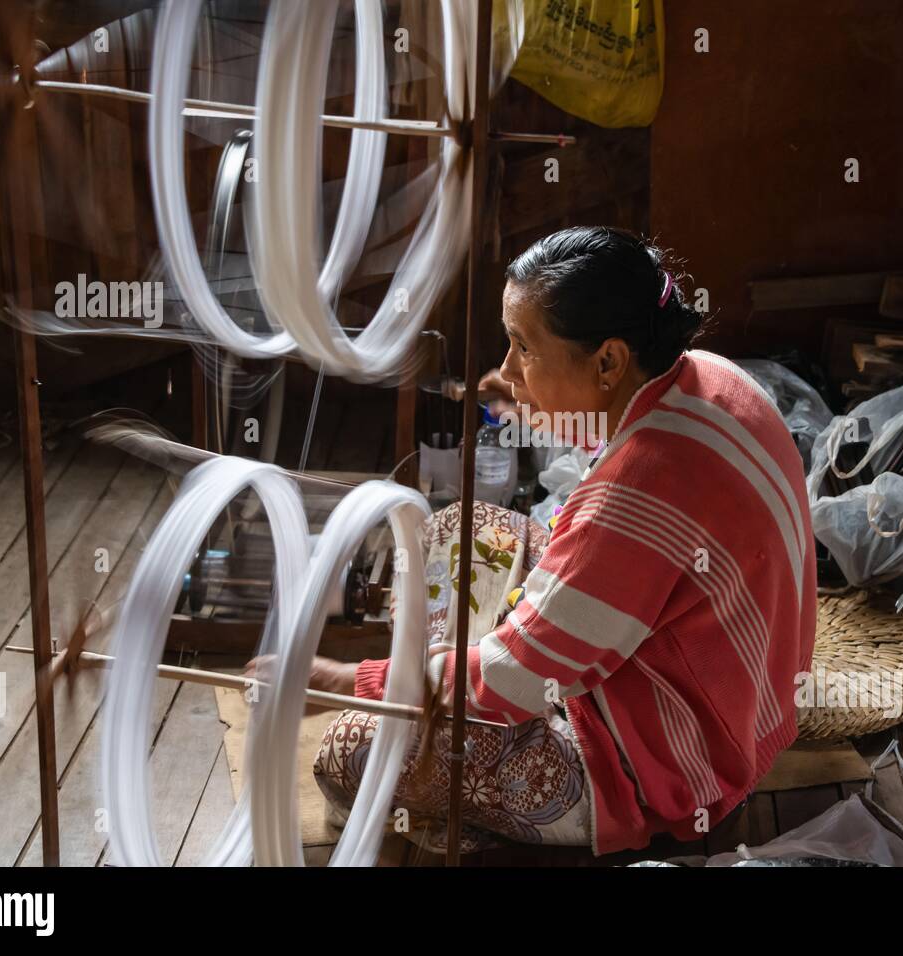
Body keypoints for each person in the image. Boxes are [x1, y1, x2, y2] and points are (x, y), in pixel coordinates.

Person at [266, 226, 817, 856]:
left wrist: (347, 680)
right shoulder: (709, 376)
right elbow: (620, 465)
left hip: (672, 769)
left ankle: (513, 806)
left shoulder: (638, 496)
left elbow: (517, 679)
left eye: (524, 348)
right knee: (457, 528)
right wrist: (536, 400)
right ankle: (451, 676)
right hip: (748, 706)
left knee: (352, 748)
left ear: (608, 361)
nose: (506, 368)